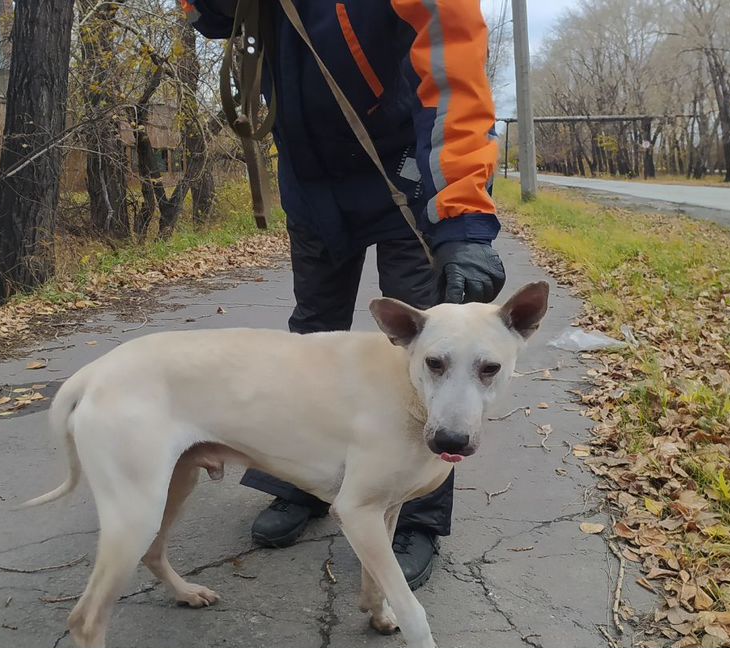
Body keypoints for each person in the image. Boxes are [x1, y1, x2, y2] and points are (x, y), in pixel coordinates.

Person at [184, 0, 505, 590]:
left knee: (422, 354)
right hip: (311, 183)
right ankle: (303, 482)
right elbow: (218, 21)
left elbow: (455, 73)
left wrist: (462, 220)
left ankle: (417, 515)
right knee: (310, 338)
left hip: (406, 177)